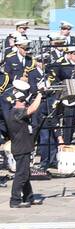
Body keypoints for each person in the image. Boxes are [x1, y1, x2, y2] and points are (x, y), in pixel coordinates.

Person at [4, 79, 41, 207]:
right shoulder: (16, 113)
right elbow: (33, 109)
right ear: (18, 102)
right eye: (24, 102)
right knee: (21, 175)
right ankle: (15, 200)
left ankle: (28, 197)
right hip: (21, 148)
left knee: (26, 173)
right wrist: (40, 94)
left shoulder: (13, 112)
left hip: (22, 147)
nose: (25, 104)